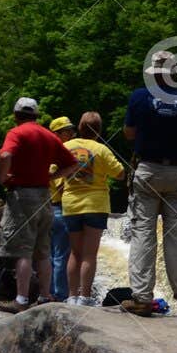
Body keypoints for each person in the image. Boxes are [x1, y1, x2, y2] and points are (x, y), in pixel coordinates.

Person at [123, 49, 177, 316]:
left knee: (144, 233)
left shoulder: (139, 97)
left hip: (148, 170)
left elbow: (129, 133)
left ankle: (143, 298)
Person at [0, 97, 79, 313]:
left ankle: (21, 300)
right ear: (36, 115)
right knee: (42, 250)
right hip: (45, 196)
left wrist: (3, 177)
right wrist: (52, 177)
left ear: (16, 115)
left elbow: (6, 154)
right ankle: (45, 295)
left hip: (22, 195)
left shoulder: (16, 133)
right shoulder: (49, 136)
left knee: (23, 250)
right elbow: (72, 164)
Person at [60, 111, 126, 306]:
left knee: (75, 253)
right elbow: (120, 173)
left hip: (71, 204)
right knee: (89, 254)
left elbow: (52, 170)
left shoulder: (65, 147)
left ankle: (71, 296)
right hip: (96, 205)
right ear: (98, 131)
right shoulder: (101, 149)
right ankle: (85, 297)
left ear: (78, 128)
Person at [47, 116, 75, 301]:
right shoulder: (57, 156)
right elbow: (59, 185)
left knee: (51, 255)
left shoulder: (51, 153)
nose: (71, 133)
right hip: (59, 208)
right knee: (61, 255)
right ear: (57, 134)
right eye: (67, 130)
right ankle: (60, 295)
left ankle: (49, 293)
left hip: (50, 209)